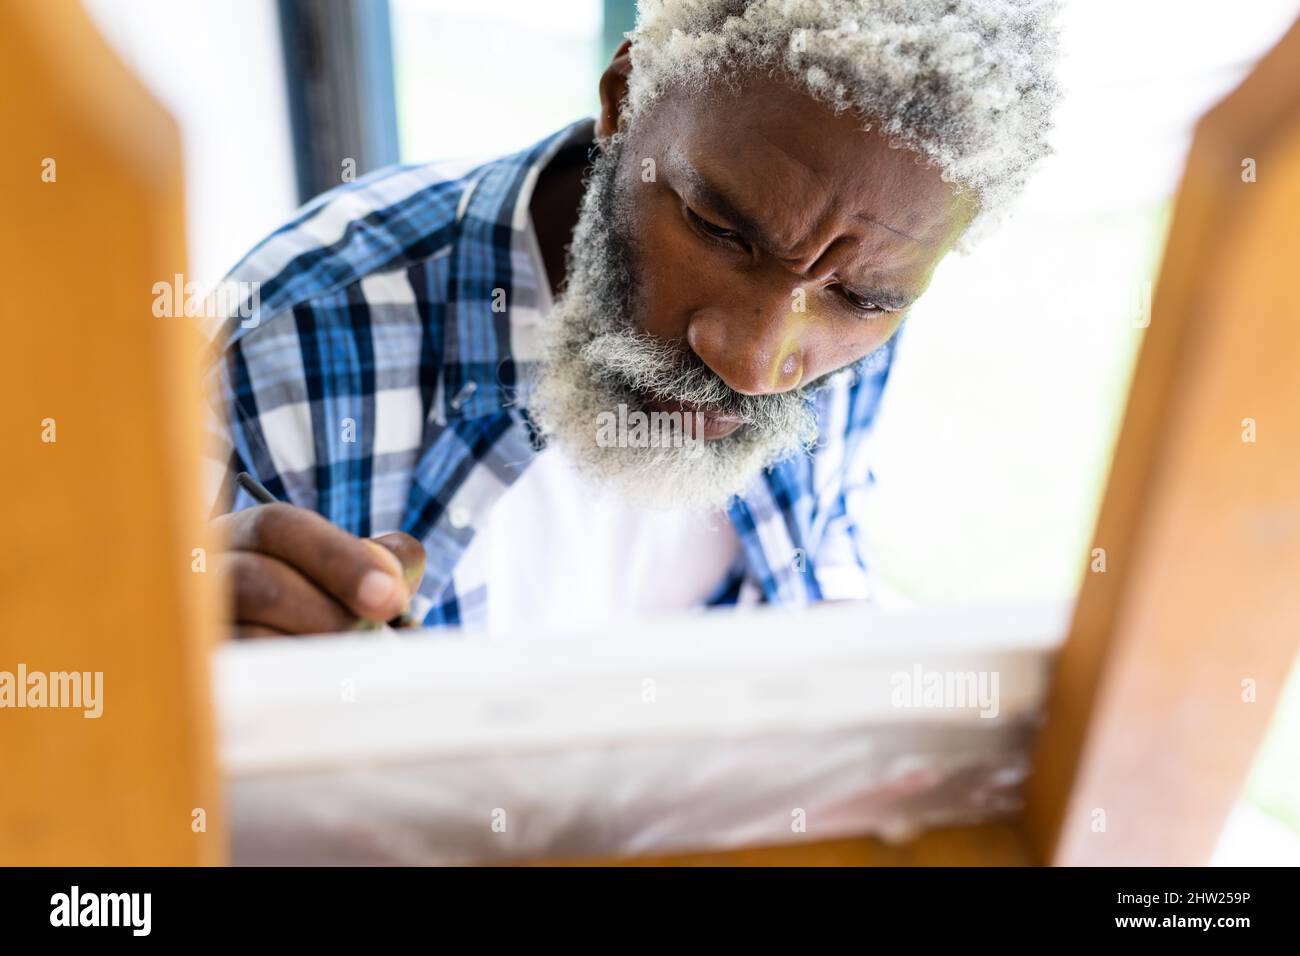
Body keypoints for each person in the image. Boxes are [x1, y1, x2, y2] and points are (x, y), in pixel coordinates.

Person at [205, 0, 1061, 636]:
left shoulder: (859, 327)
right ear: (624, 100)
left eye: (861, 299)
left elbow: (825, 577)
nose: (756, 363)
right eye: (720, 231)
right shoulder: (289, 343)